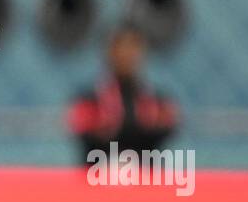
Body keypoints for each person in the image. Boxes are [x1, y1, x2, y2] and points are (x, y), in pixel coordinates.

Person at [66, 24, 179, 163]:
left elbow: (165, 130)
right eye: (120, 46)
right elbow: (87, 136)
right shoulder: (88, 100)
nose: (126, 54)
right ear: (108, 51)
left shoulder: (157, 101)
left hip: (147, 181)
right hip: (96, 180)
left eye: (133, 47)